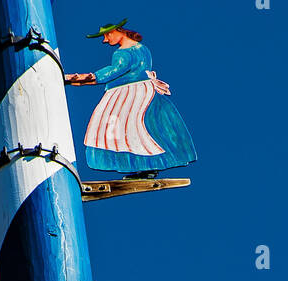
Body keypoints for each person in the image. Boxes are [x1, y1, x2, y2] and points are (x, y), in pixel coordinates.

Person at [65, 21, 196, 176]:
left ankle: (142, 166)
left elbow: (114, 71)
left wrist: (75, 77)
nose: (105, 40)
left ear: (117, 31)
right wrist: (75, 80)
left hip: (127, 93)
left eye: (107, 35)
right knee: (136, 127)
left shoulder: (122, 53)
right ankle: (144, 167)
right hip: (143, 90)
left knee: (117, 127)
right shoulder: (143, 49)